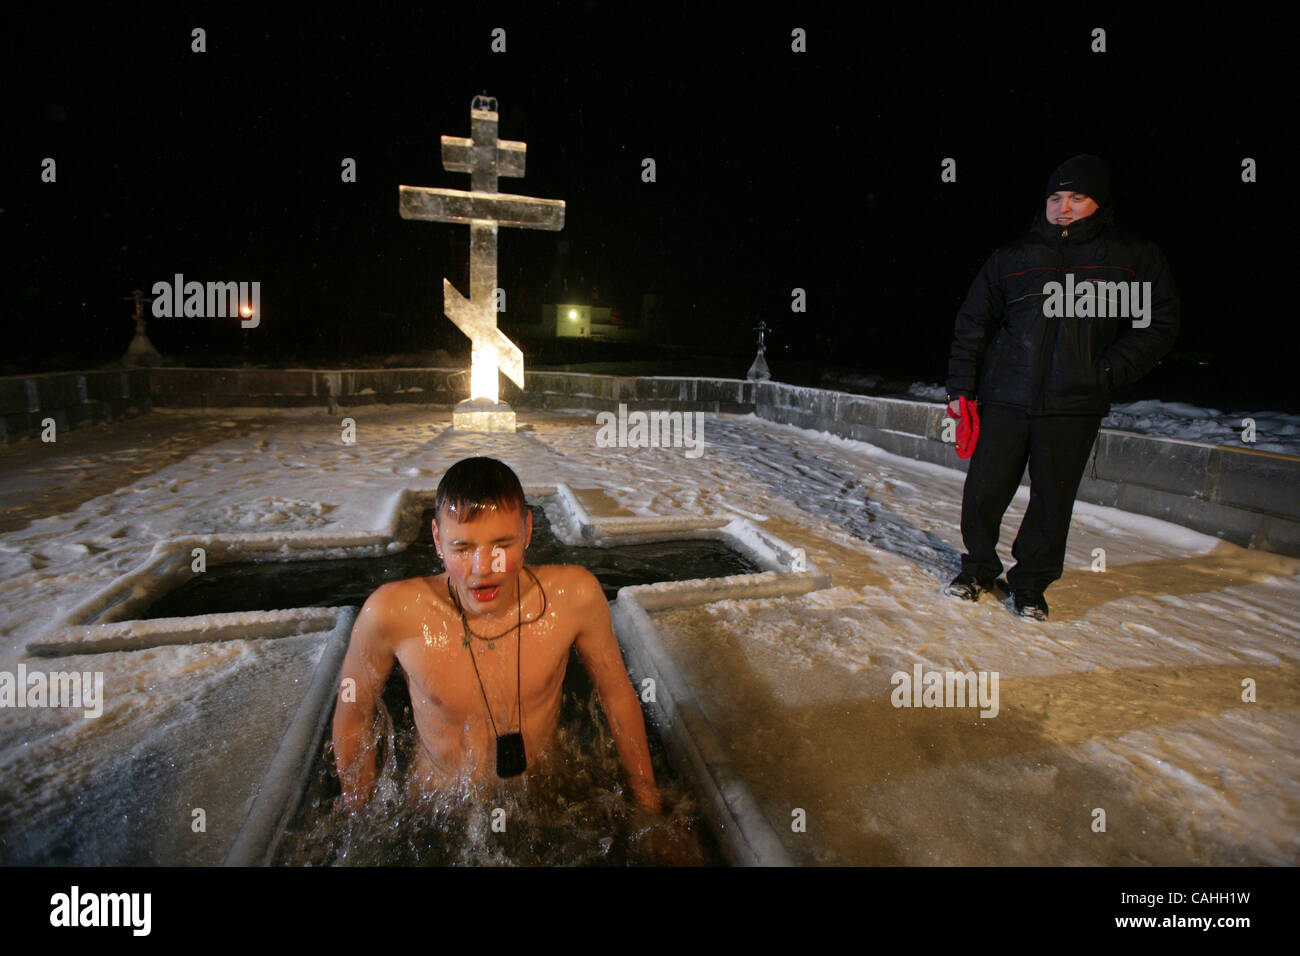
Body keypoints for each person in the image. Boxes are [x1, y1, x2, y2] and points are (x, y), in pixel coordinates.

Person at [332, 456, 664, 815]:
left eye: (502, 545)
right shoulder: (390, 613)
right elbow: (354, 714)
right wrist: (358, 815)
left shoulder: (574, 598)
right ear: (437, 539)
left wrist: (649, 806)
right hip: (437, 810)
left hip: (543, 798)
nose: (483, 569)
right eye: (462, 548)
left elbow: (616, 694)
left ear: (528, 532)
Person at [944, 155, 1179, 619]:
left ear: (1099, 202)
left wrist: (1106, 371)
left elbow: (1159, 324)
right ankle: (976, 568)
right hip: (1006, 397)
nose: (1063, 207)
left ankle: (1030, 585)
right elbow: (972, 324)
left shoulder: (1132, 255)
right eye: (1055, 197)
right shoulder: (1012, 257)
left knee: (1052, 501)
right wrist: (960, 388)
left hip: (1075, 404)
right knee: (984, 491)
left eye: (1077, 197)